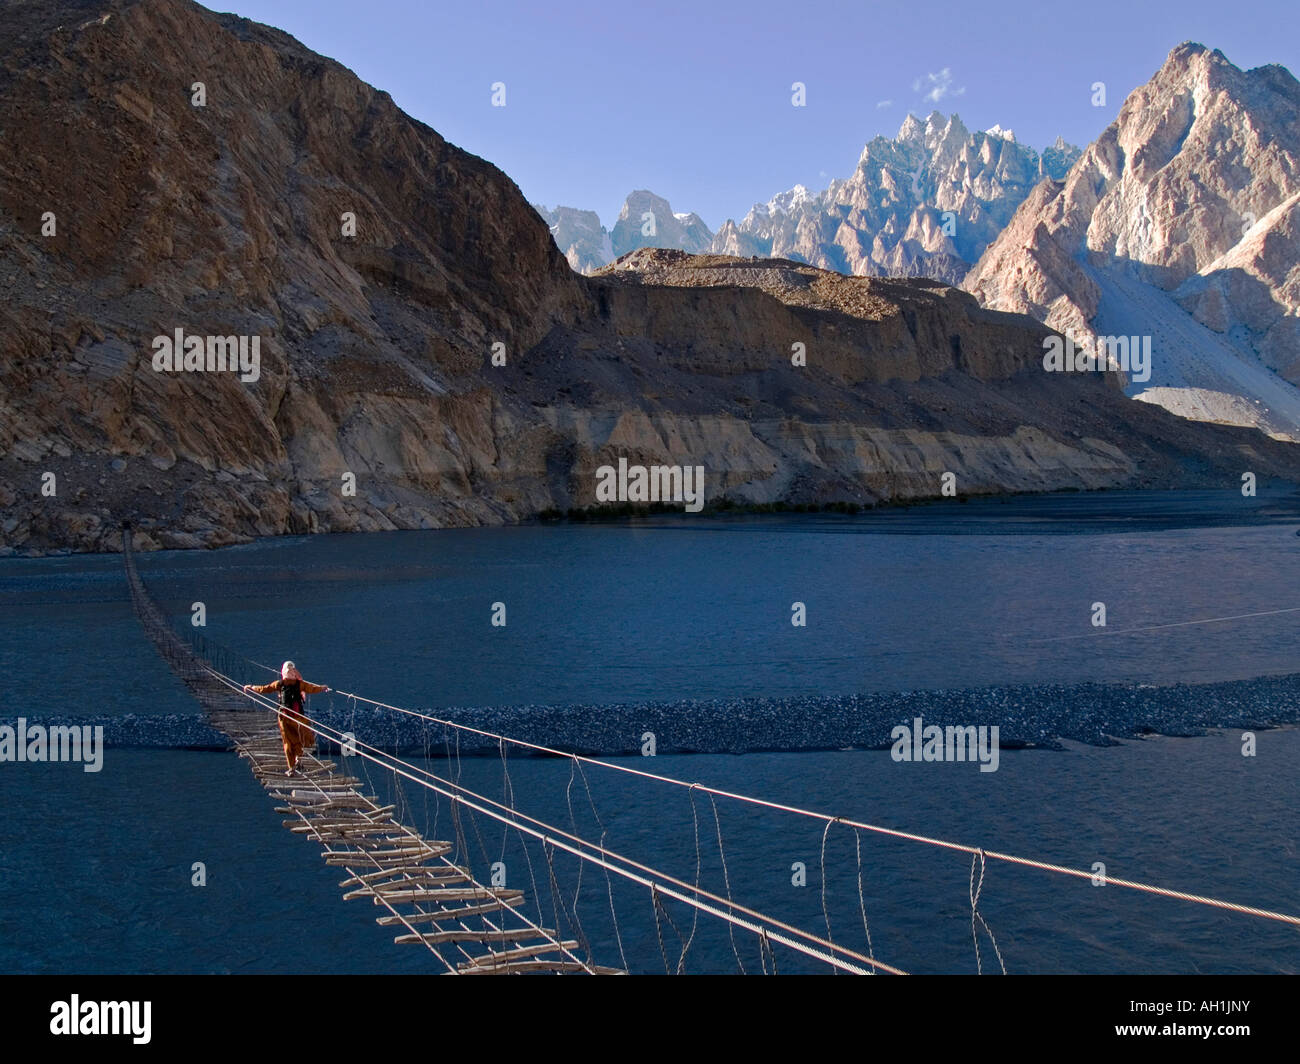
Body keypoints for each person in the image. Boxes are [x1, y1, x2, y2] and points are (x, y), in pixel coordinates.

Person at [244, 661, 330, 776]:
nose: (290, 671)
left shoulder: (288, 684)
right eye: (289, 670)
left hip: (291, 718)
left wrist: (251, 687)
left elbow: (265, 689)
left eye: (291, 670)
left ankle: (295, 764)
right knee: (294, 741)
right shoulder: (291, 684)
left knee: (294, 741)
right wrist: (322, 688)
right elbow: (311, 688)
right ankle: (295, 763)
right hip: (292, 718)